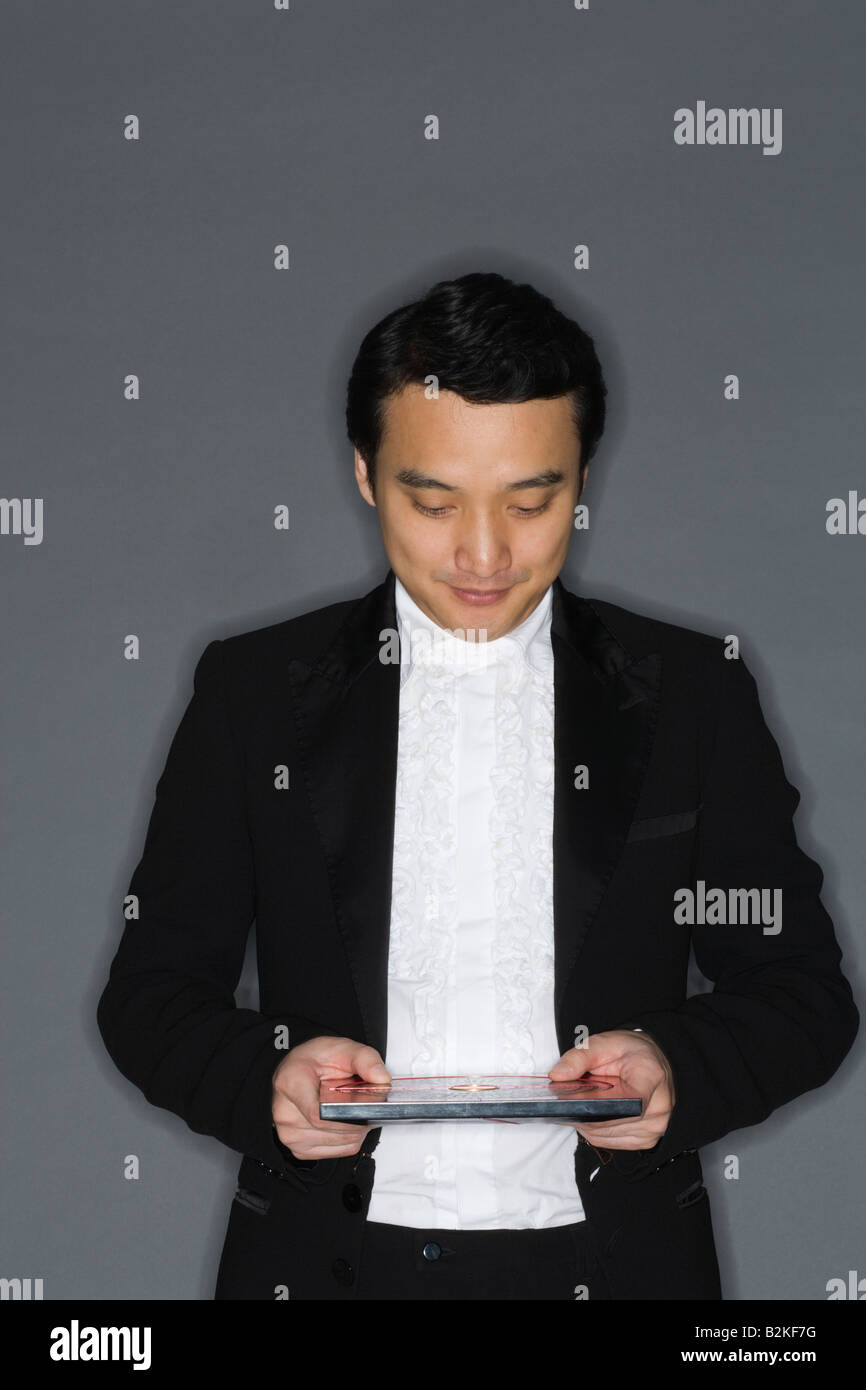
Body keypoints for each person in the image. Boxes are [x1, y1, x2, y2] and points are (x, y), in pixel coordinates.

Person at [96, 271, 858, 1300]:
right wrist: (262, 1076)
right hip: (324, 1271)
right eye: (433, 499)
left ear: (581, 478)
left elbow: (804, 996)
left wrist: (675, 1068)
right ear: (365, 473)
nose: (484, 553)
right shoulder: (251, 695)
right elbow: (149, 997)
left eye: (531, 499)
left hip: (617, 1269)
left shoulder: (692, 694)